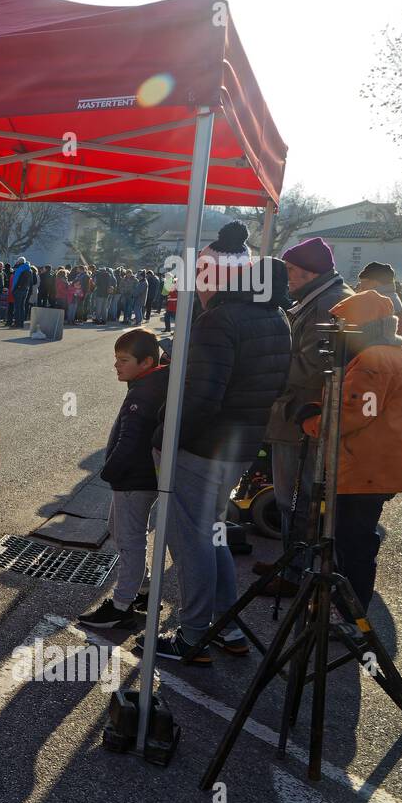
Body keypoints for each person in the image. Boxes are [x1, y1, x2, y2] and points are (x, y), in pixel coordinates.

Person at [137, 232, 292, 663]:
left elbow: (203, 396)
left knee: (191, 542)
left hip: (203, 448)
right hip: (239, 447)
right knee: (214, 533)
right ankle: (226, 627)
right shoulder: (278, 320)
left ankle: (194, 633)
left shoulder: (222, 320)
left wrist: (166, 438)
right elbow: (275, 387)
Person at [298, 289, 402, 612]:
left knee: (354, 543)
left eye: (342, 326)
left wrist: (312, 422)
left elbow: (353, 415)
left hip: (367, 468)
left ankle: (351, 613)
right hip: (373, 465)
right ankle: (345, 606)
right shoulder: (386, 355)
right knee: (352, 540)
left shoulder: (373, 360)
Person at [257, 236, 353, 596]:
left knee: (296, 501)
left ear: (312, 272)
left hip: (303, 419)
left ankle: (296, 573)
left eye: (293, 272)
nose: (289, 279)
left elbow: (311, 368)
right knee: (291, 500)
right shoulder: (316, 299)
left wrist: (265, 365)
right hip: (294, 415)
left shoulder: (328, 303)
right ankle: (291, 563)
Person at [79, 329, 169, 628]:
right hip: (137, 477)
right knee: (119, 531)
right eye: (116, 359)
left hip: (135, 479)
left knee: (130, 541)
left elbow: (130, 441)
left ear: (145, 362)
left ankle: (121, 606)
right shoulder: (150, 383)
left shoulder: (142, 393)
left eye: (123, 360)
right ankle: (143, 590)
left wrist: (111, 470)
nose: (116, 365)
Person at [356, 262, 402, 336]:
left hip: (379, 346)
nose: (361, 286)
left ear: (375, 282)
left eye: (363, 282)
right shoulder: (392, 297)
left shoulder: (378, 300)